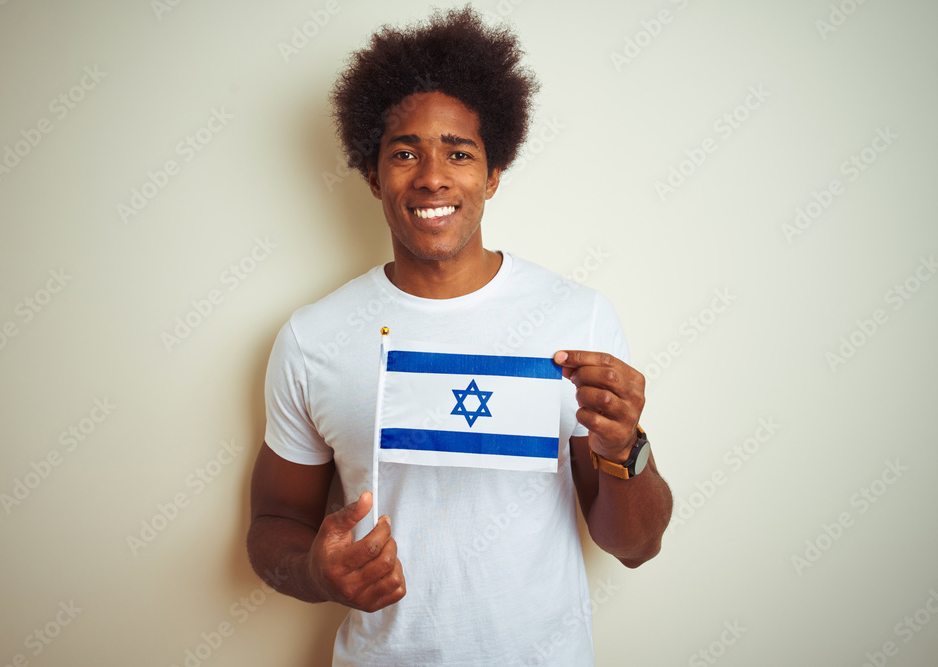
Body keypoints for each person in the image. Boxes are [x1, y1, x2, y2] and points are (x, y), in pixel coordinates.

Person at [247, 7, 672, 665]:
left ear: (493, 174)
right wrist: (315, 572)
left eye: (459, 152)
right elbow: (273, 525)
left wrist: (625, 447)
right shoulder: (314, 338)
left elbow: (636, 547)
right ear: (372, 176)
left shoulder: (577, 319)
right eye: (405, 152)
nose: (432, 176)